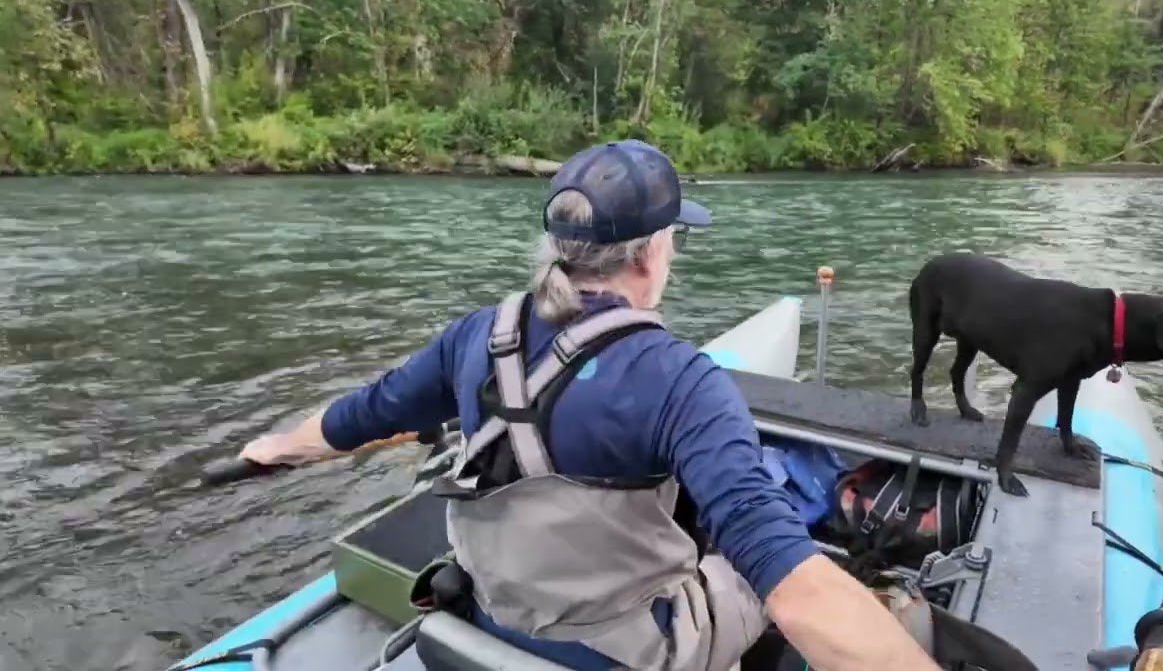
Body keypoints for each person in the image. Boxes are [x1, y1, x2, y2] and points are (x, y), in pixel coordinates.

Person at [240, 139, 941, 671]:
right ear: (651, 254)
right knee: (774, 546)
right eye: (675, 239)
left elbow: (361, 416)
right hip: (623, 651)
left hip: (492, 616)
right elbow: (795, 590)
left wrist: (275, 448)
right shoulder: (682, 381)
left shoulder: (476, 334)